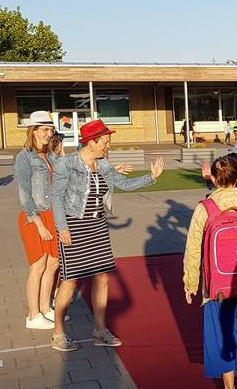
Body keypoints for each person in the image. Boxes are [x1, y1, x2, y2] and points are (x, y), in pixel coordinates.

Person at [50, 120, 163, 352]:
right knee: (70, 281)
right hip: (73, 225)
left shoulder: (103, 165)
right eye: (105, 142)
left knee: (102, 277)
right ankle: (58, 332)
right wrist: (62, 227)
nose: (108, 146)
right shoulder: (66, 164)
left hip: (97, 225)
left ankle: (100, 331)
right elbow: (57, 197)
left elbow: (124, 184)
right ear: (91, 142)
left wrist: (151, 177)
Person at [184, 155, 237, 389]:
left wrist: (190, 282)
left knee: (221, 333)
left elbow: (193, 248)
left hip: (217, 283)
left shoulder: (205, 208)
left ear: (213, 178)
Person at [15, 111, 62, 331]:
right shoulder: (24, 157)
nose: (48, 134)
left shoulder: (50, 155)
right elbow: (24, 193)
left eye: (50, 130)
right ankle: (33, 315)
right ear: (32, 131)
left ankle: (45, 309)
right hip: (35, 216)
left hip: (53, 214)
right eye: (44, 130)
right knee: (38, 265)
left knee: (53, 263)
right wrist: (38, 222)